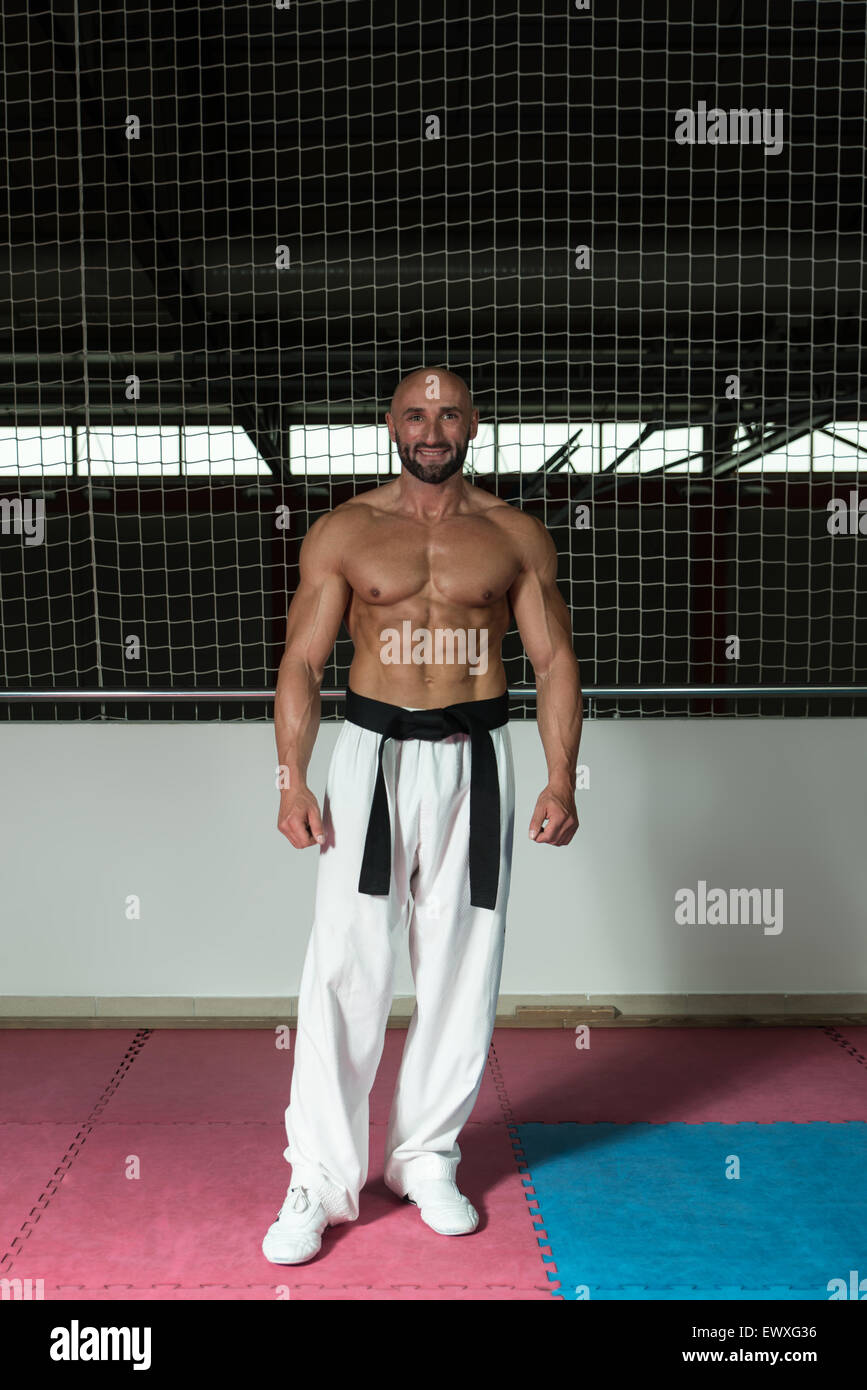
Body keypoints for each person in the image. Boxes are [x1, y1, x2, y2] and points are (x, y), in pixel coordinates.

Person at [262, 366, 582, 1264]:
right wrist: (290, 776)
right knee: (345, 965)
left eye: (446, 413)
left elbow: (553, 661)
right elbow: (300, 660)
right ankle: (320, 1180)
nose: (430, 427)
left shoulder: (514, 536)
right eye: (415, 413)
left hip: (476, 759)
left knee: (461, 961)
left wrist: (562, 777)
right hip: (370, 756)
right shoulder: (345, 531)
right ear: (390, 424)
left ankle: (425, 1156)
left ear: (473, 423)